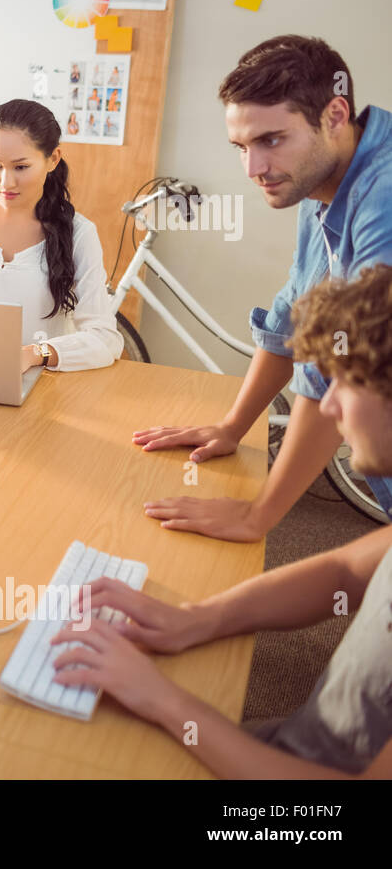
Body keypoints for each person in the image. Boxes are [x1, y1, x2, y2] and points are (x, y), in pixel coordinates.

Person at [54, 265, 392, 778]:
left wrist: (164, 701)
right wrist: (197, 618)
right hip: (286, 745)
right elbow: (346, 572)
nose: (327, 405)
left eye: (348, 382)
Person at [135, 35, 392, 540]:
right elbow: (290, 318)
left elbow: (338, 366)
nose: (254, 170)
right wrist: (233, 427)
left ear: (336, 114)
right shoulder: (322, 177)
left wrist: (260, 516)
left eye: (271, 140)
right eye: (242, 147)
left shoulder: (382, 198)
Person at [0, 99, 122, 372]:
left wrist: (34, 354)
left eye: (20, 167)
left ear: (52, 160)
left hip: (40, 390)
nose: (5, 182)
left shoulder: (79, 233)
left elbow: (105, 339)